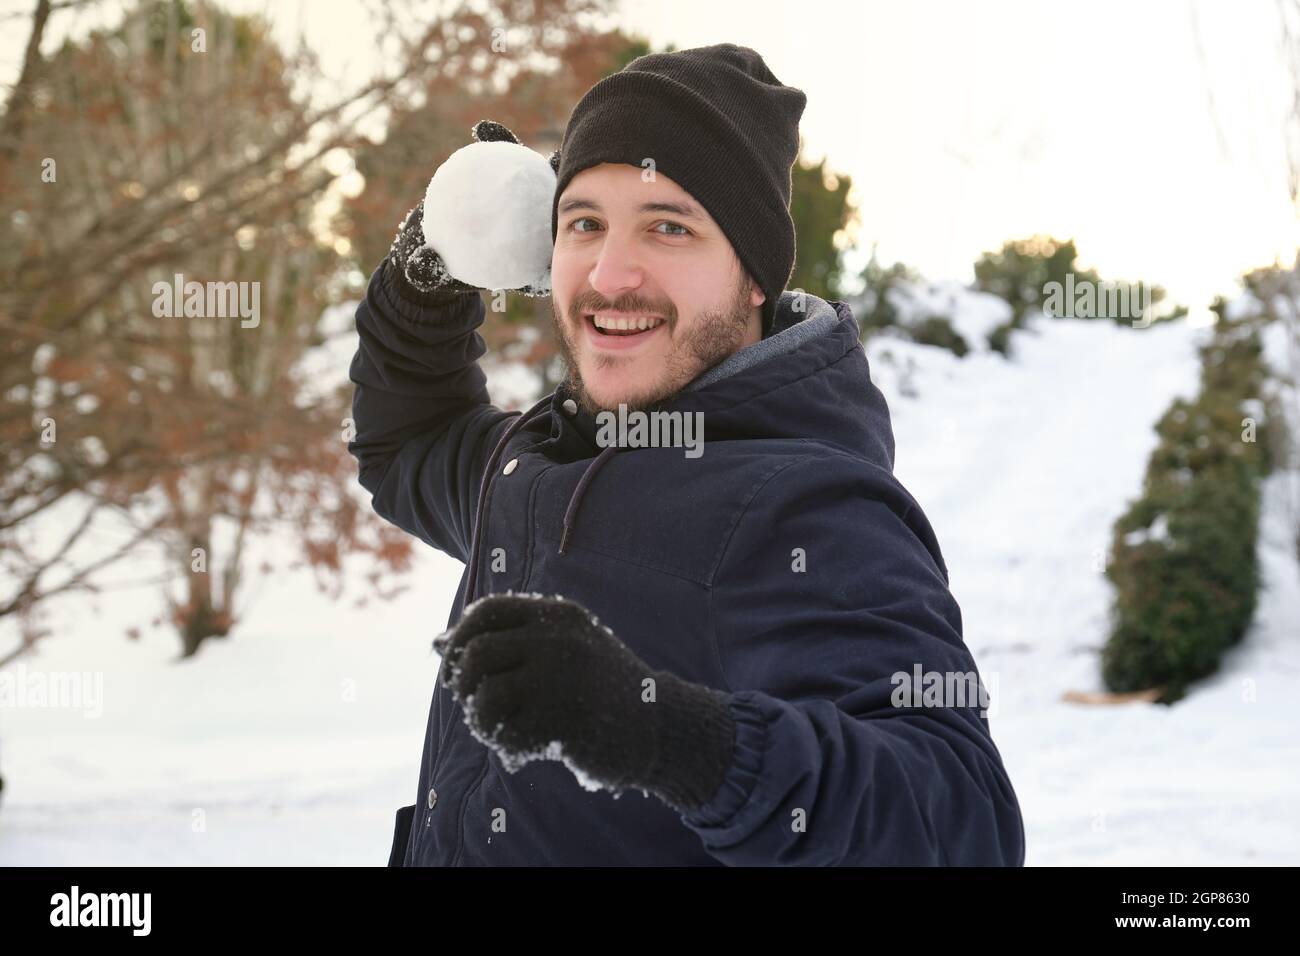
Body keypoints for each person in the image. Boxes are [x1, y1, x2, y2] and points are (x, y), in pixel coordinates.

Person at [348, 42, 1025, 866]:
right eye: (583, 223)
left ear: (753, 280)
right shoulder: (537, 462)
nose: (610, 273)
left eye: (668, 226)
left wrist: (667, 734)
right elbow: (407, 441)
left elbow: (964, 827)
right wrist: (428, 273)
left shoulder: (801, 504)